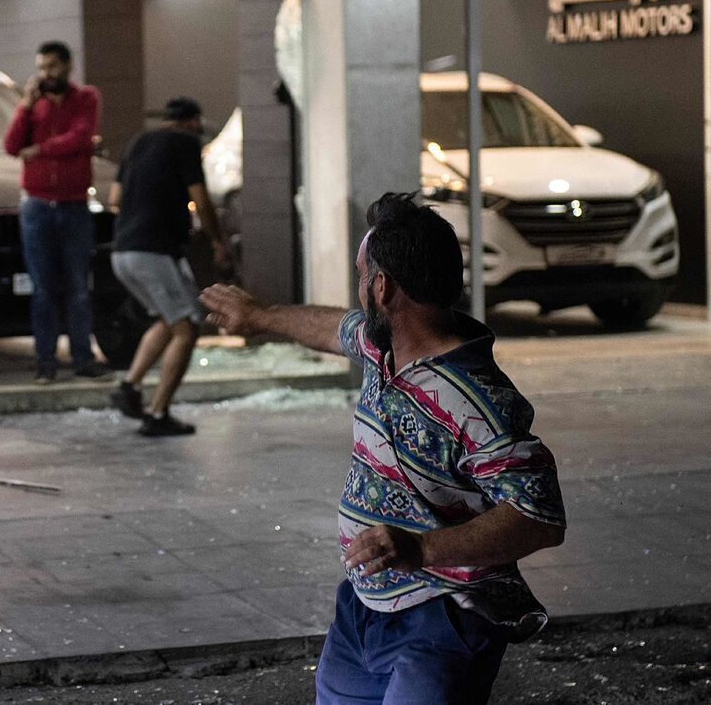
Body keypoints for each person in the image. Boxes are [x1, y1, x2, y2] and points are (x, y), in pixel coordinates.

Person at [200, 193, 566, 705]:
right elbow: (332, 328)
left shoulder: (478, 402)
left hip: (444, 617)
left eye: (360, 276)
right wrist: (259, 316)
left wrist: (422, 549)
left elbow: (540, 516)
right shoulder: (384, 348)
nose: (359, 292)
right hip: (363, 607)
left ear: (382, 287)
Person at [108, 97, 230, 437]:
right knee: (187, 327)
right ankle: (158, 413)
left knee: (169, 318)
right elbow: (201, 198)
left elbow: (115, 198)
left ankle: (129, 387)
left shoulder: (138, 142)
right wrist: (217, 242)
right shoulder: (185, 142)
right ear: (192, 121)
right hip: (153, 252)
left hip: (122, 252)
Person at [3, 40, 109, 383]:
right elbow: (11, 146)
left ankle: (83, 358)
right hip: (37, 207)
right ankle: (45, 362)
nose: (46, 74)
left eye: (51, 66)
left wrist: (40, 149)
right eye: (41, 68)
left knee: (78, 286)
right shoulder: (34, 105)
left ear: (67, 66)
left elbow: (80, 136)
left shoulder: (86, 98)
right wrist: (25, 106)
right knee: (43, 289)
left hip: (74, 205)